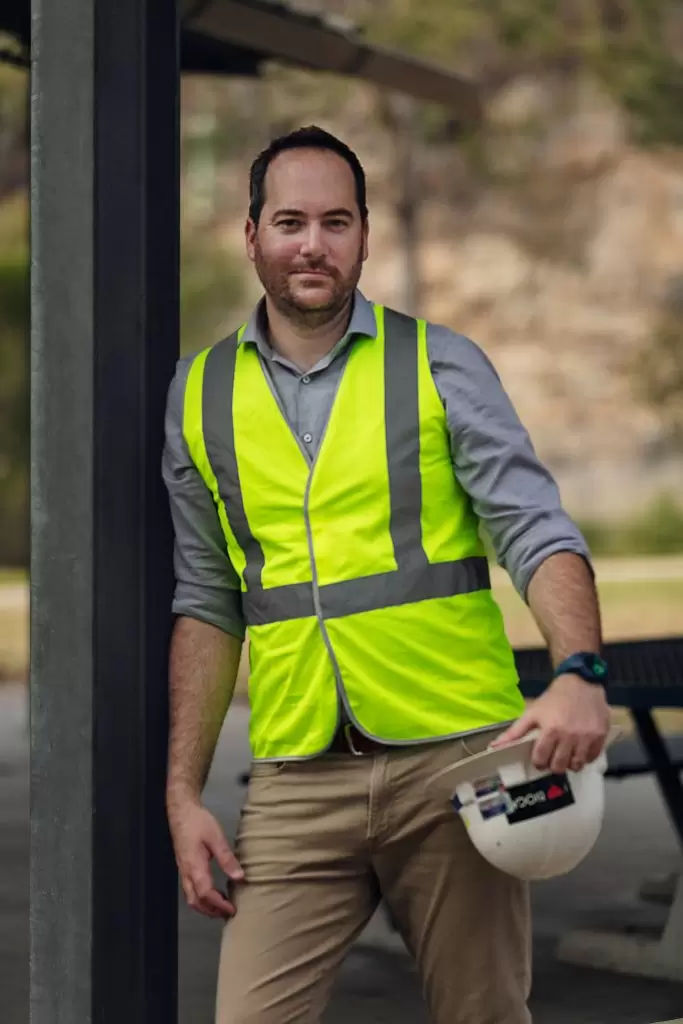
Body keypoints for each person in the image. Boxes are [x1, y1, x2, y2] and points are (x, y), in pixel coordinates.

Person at [162, 125, 611, 1024]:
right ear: (249, 234)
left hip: (460, 765)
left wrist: (578, 672)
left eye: (336, 222)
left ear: (365, 234)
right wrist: (182, 792)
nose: (312, 244)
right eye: (289, 221)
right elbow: (208, 600)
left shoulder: (440, 364)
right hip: (296, 779)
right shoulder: (200, 393)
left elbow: (534, 530)